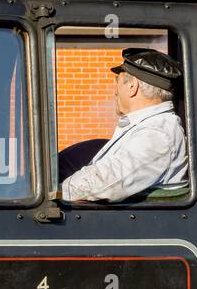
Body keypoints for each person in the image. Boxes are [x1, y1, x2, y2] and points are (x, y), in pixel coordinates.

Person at [60, 48, 189, 203]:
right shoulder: (148, 127)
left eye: (118, 83)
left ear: (132, 86)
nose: (115, 92)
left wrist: (52, 194)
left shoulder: (157, 133)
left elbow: (106, 182)